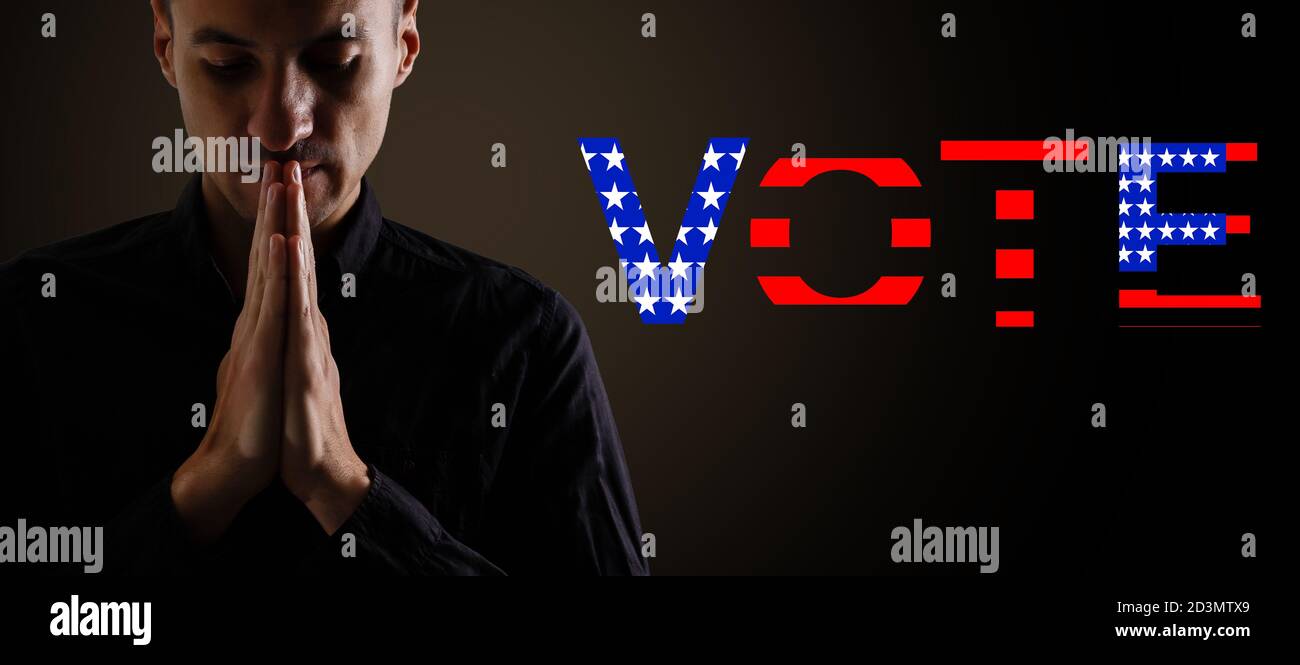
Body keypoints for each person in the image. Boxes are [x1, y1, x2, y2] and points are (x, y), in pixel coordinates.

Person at [0, 0, 647, 575]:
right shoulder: (30, 317)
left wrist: (345, 487)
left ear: (405, 43)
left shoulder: (525, 339)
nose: (280, 128)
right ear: (165, 44)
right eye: (228, 64)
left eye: (335, 61)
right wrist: (204, 488)